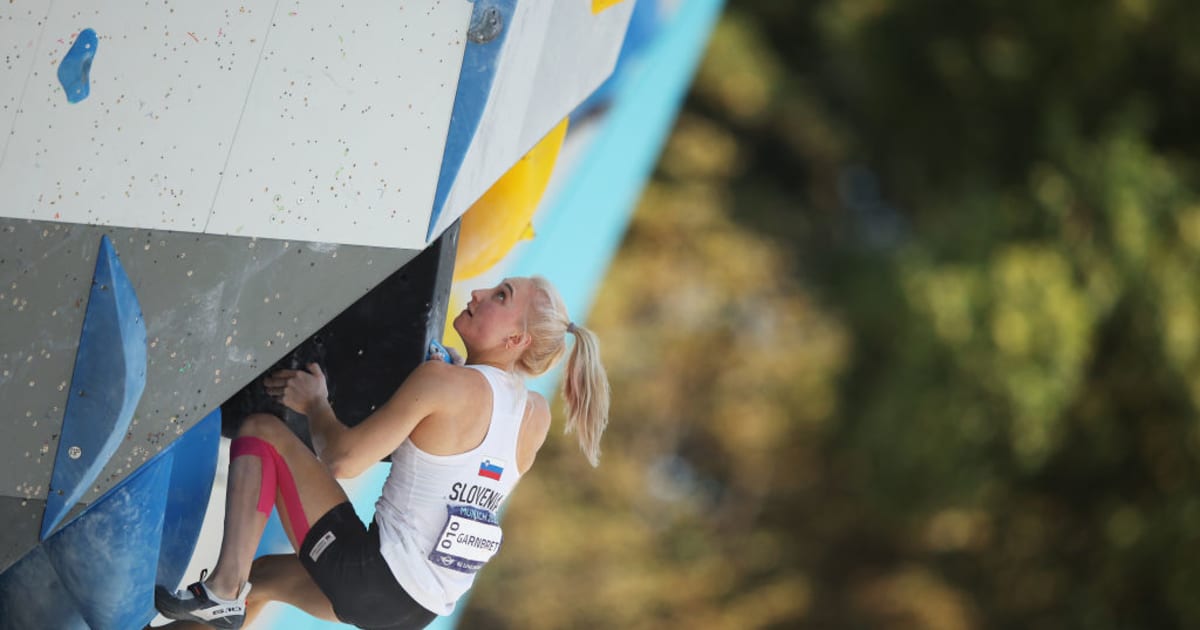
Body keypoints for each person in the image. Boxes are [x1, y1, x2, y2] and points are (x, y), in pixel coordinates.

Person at [151, 276, 610, 629]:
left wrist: (316, 403)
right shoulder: (536, 416)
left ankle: (221, 589)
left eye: (502, 297)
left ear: (516, 341)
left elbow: (344, 460)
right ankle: (229, 595)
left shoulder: (444, 384)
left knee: (261, 430)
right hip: (416, 610)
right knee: (265, 578)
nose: (480, 291)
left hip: (372, 573)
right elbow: (469, 443)